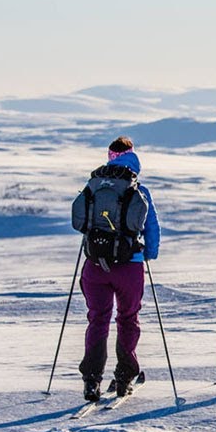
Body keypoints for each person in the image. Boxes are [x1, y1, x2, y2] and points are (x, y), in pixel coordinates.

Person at [75, 136, 160, 401]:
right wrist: (149, 253)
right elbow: (152, 227)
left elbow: (81, 220)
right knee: (127, 319)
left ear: (110, 155)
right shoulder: (137, 188)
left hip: (95, 265)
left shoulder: (95, 186)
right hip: (129, 266)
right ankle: (124, 378)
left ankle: (92, 381)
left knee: (98, 319)